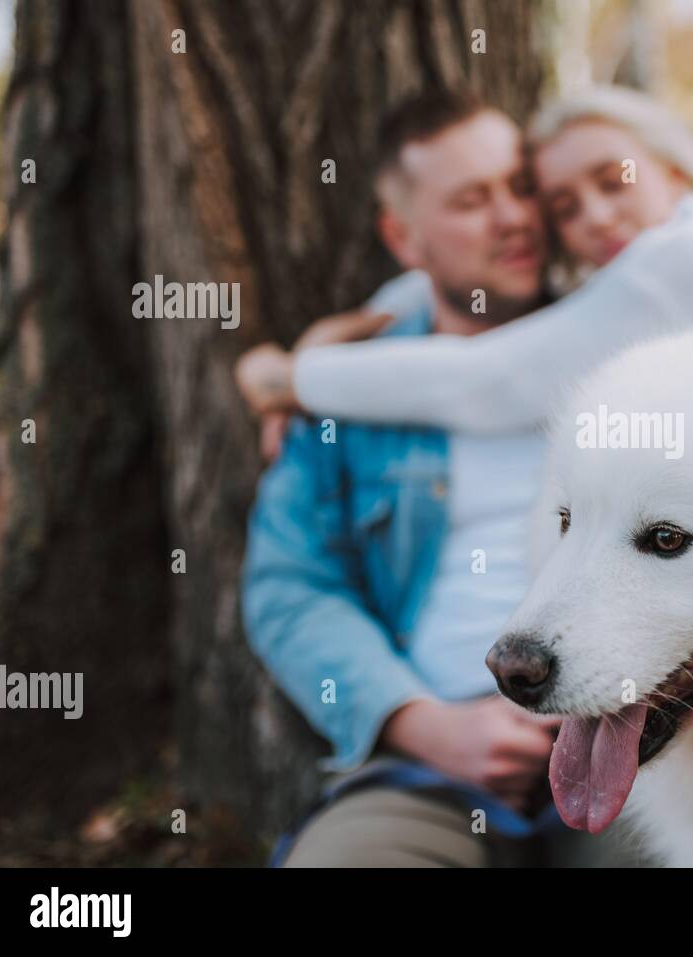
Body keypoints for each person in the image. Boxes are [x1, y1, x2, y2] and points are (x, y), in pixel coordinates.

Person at [240, 88, 623, 867]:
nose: (514, 217)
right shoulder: (353, 391)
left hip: (632, 728)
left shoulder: (623, 346)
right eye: (471, 201)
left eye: (520, 188)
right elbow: (287, 587)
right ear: (403, 237)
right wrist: (416, 720)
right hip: (437, 760)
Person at [236, 85, 693, 433]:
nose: (595, 219)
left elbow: (488, 380)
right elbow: (427, 291)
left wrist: (289, 379)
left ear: (674, 174)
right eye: (564, 208)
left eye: (614, 181)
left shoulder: (684, 256)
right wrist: (356, 323)